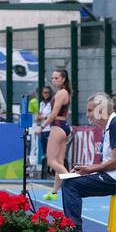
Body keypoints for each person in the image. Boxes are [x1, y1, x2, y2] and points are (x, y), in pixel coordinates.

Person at [59, 93, 116, 232]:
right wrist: (88, 169)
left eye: (90, 110)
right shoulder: (112, 126)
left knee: (70, 185)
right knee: (73, 181)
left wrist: (89, 170)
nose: (88, 114)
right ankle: (73, 231)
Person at [41, 68, 73, 201]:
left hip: (58, 127)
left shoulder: (61, 93)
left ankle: (72, 184)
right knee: (59, 162)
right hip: (64, 127)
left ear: (63, 79)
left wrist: (42, 126)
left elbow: (54, 114)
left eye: (57, 78)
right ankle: (54, 192)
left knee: (51, 161)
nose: (54, 80)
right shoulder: (65, 93)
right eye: (53, 78)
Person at [37, 84, 53, 174]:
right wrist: (44, 117)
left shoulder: (52, 103)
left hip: (50, 129)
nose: (45, 94)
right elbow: (39, 117)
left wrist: (45, 117)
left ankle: (51, 169)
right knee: (44, 151)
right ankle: (45, 170)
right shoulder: (42, 103)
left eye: (47, 92)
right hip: (43, 129)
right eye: (44, 93)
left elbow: (51, 116)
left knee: (50, 150)